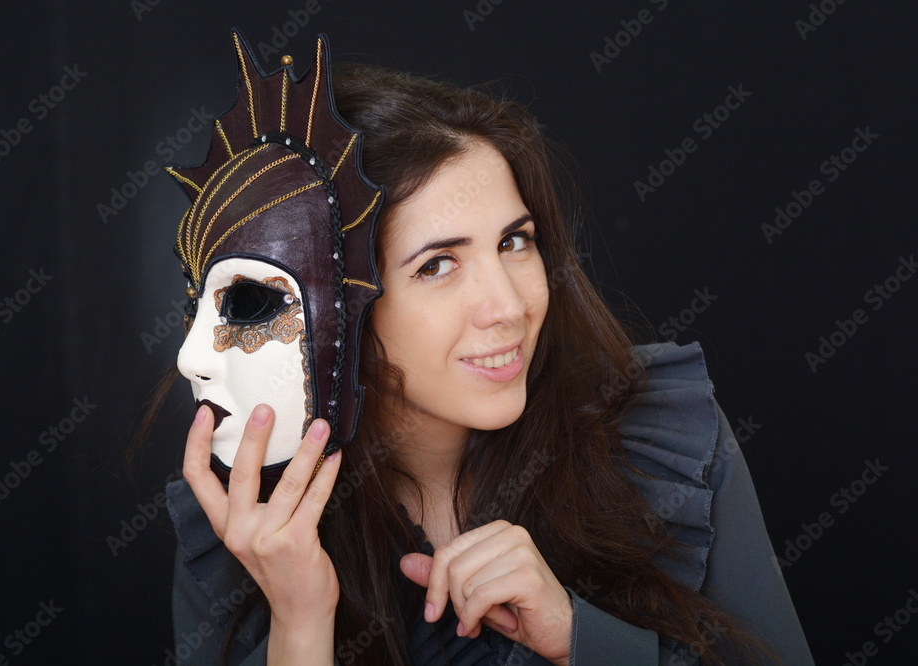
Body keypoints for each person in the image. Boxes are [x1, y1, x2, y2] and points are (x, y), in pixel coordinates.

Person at [162, 34, 814, 665]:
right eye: (438, 265)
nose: (509, 305)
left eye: (514, 243)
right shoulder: (245, 521)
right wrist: (301, 621)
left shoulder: (660, 443)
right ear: (330, 306)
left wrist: (578, 639)